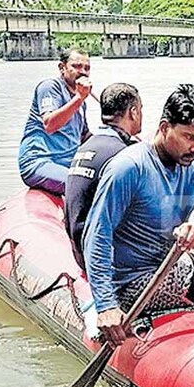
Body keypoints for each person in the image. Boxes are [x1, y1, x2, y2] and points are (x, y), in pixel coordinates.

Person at [84, 84, 194, 346]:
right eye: (189, 137)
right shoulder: (128, 167)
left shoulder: (193, 164)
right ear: (164, 127)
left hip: (167, 263)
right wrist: (105, 305)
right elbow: (96, 236)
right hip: (134, 282)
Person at [64, 83, 143, 268]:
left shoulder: (87, 147)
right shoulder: (124, 156)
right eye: (140, 110)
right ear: (133, 112)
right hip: (108, 262)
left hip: (82, 253)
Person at [18, 48, 92, 195]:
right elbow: (49, 124)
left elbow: (85, 137)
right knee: (79, 187)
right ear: (62, 68)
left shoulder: (81, 103)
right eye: (76, 66)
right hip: (40, 162)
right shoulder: (50, 87)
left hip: (68, 164)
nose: (82, 71)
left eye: (87, 68)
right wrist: (79, 98)